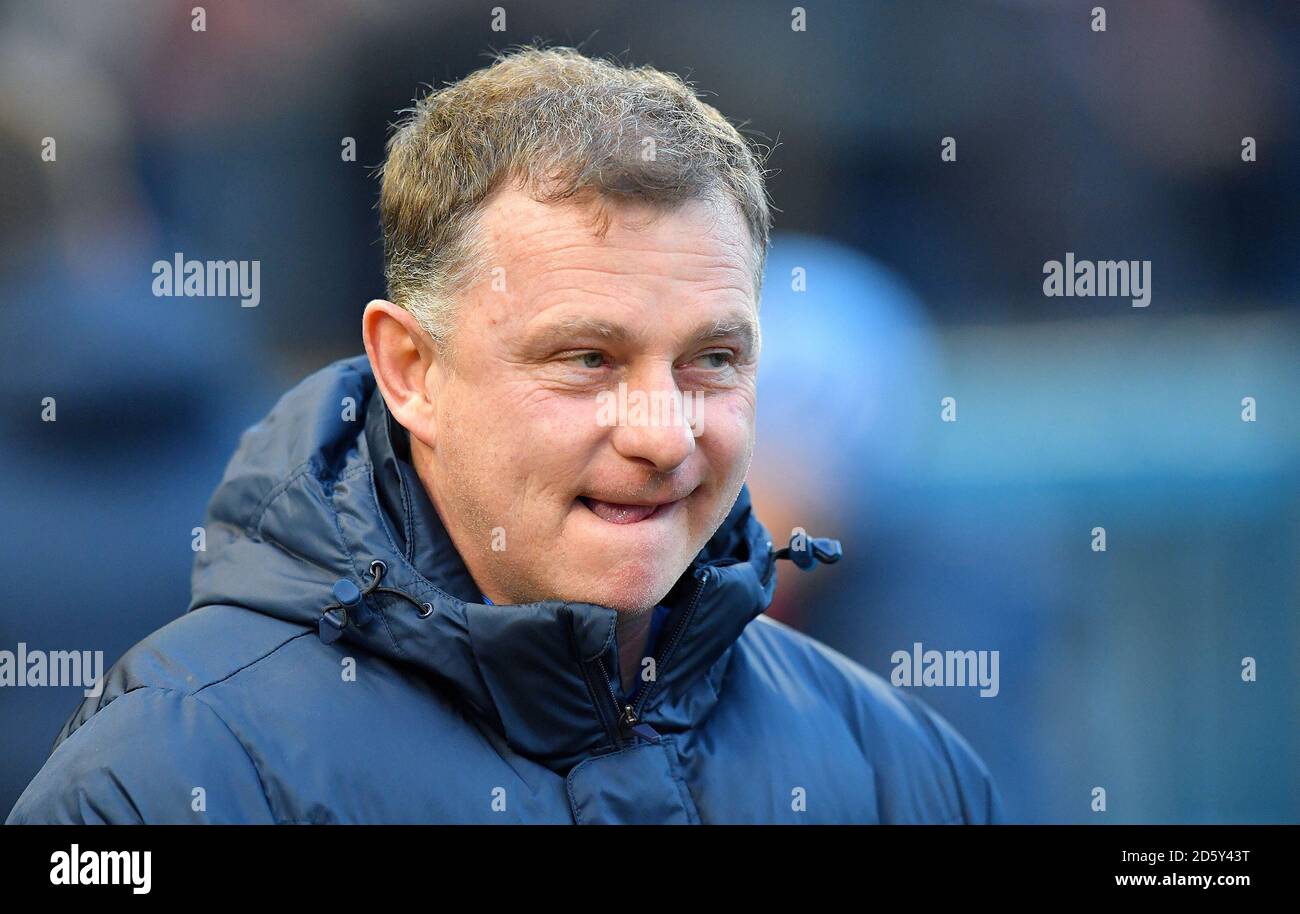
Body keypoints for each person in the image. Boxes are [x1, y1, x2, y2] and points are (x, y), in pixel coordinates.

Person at [8, 45, 1002, 824]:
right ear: (411, 371)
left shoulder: (896, 765)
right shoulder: (168, 777)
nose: (664, 434)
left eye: (711, 359)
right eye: (584, 359)